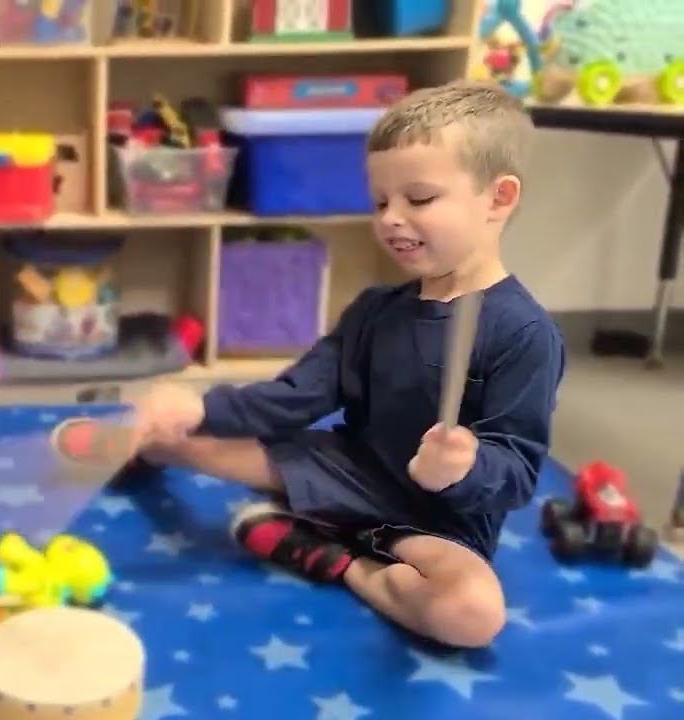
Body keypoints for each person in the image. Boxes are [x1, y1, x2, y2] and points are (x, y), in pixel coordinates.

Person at [122, 80, 565, 649]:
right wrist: (197, 409)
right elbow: (297, 395)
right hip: (347, 474)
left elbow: (518, 472)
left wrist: (465, 467)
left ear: (498, 198)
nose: (391, 219)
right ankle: (159, 445)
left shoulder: (526, 334)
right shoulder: (376, 309)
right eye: (382, 202)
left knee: (472, 614)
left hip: (438, 522)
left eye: (420, 198)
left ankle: (336, 561)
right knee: (177, 437)